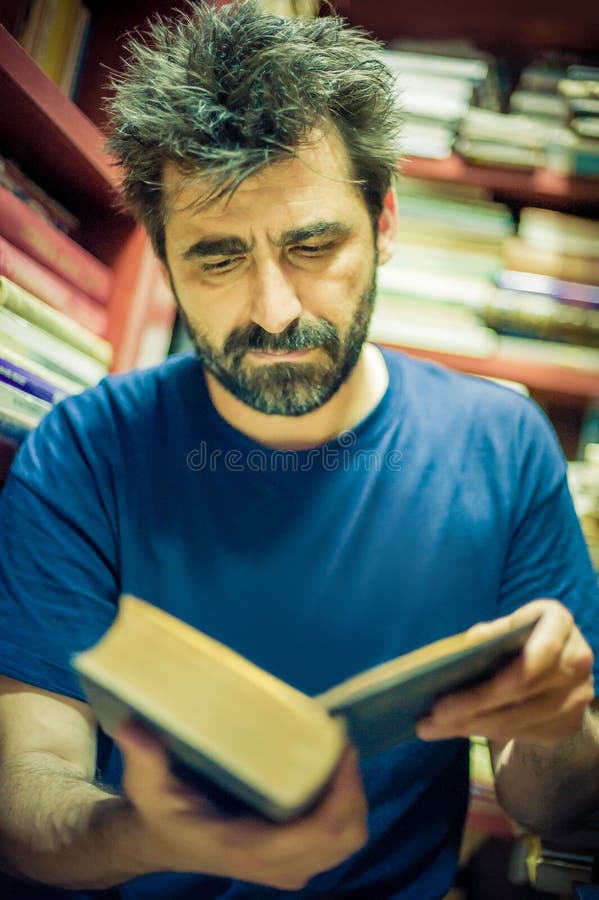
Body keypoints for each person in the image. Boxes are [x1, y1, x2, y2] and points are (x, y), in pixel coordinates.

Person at [1, 2, 598, 897]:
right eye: (216, 258)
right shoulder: (82, 453)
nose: (275, 310)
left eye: (313, 244)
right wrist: (147, 836)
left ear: (383, 223)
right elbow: (25, 801)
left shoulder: (502, 443)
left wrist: (554, 721)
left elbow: (558, 809)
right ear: (163, 261)